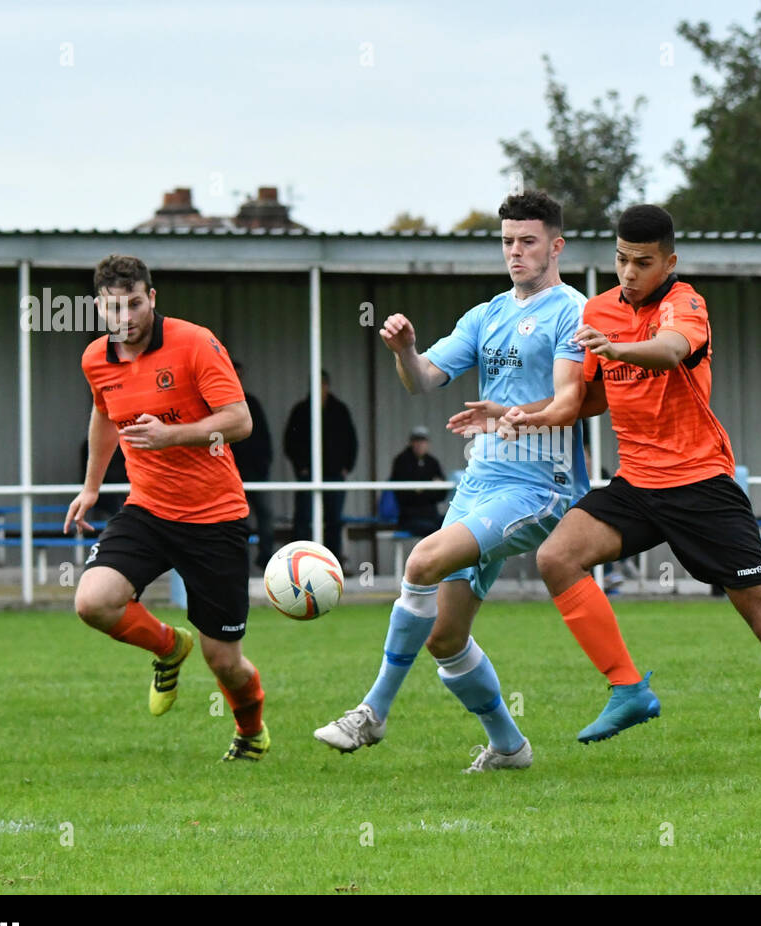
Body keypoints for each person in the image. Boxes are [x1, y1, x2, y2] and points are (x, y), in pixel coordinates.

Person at [527, 205, 761, 772]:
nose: (628, 273)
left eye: (642, 263)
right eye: (621, 260)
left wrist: (619, 350)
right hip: (635, 486)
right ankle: (628, 689)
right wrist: (523, 412)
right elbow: (588, 401)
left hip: (701, 486)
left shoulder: (686, 303)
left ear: (668, 262)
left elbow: (672, 349)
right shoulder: (599, 310)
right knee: (556, 557)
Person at [313, 190, 589, 772]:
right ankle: (509, 748)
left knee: (420, 561)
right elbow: (424, 380)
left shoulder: (573, 312)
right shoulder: (485, 315)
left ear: (556, 246)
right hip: (479, 484)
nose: (515, 252)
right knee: (443, 636)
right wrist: (406, 350)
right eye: (509, 242)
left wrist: (512, 416)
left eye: (528, 242)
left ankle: (372, 713)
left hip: (541, 486)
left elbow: (571, 400)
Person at [63, 254, 269, 763]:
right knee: (93, 602)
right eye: (115, 307)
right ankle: (166, 646)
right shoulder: (96, 359)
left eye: (135, 303)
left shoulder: (195, 343)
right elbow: (103, 416)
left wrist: (170, 434)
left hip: (215, 516)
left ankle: (250, 733)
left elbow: (239, 421)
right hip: (148, 509)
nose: (126, 317)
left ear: (152, 298)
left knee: (224, 661)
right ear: (99, 307)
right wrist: (91, 487)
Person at [284, 369, 358, 561]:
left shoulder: (339, 410)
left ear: (327, 385)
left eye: (323, 384)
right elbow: (290, 441)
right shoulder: (301, 410)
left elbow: (352, 440)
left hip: (334, 474)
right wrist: (300, 467)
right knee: (303, 519)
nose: (320, 388)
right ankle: (297, 563)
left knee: (334, 520)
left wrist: (346, 467)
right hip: (308, 475)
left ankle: (332, 563)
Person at [230, 360, 275, 570]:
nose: (237, 380)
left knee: (266, 514)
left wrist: (263, 465)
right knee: (238, 519)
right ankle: (240, 562)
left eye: (240, 375)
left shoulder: (252, 404)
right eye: (233, 375)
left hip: (256, 474)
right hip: (230, 476)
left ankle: (267, 560)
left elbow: (264, 438)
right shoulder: (215, 405)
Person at [390, 425, 447, 536]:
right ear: (411, 443)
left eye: (423, 441)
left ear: (428, 443)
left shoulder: (432, 462)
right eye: (417, 440)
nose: (420, 444)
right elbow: (403, 495)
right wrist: (429, 488)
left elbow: (442, 494)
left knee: (453, 524)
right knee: (432, 530)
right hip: (409, 517)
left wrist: (423, 490)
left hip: (431, 514)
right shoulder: (401, 461)